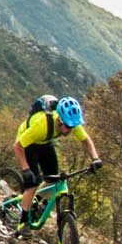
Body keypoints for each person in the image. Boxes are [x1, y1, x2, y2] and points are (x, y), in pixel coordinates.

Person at [14, 94, 102, 229]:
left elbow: (85, 140)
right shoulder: (41, 125)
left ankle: (35, 202)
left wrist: (95, 158)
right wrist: (25, 169)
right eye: (68, 126)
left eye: (72, 127)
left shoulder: (70, 122)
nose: (70, 130)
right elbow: (18, 146)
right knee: (32, 184)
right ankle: (23, 222)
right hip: (27, 144)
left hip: (45, 142)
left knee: (53, 178)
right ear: (59, 120)